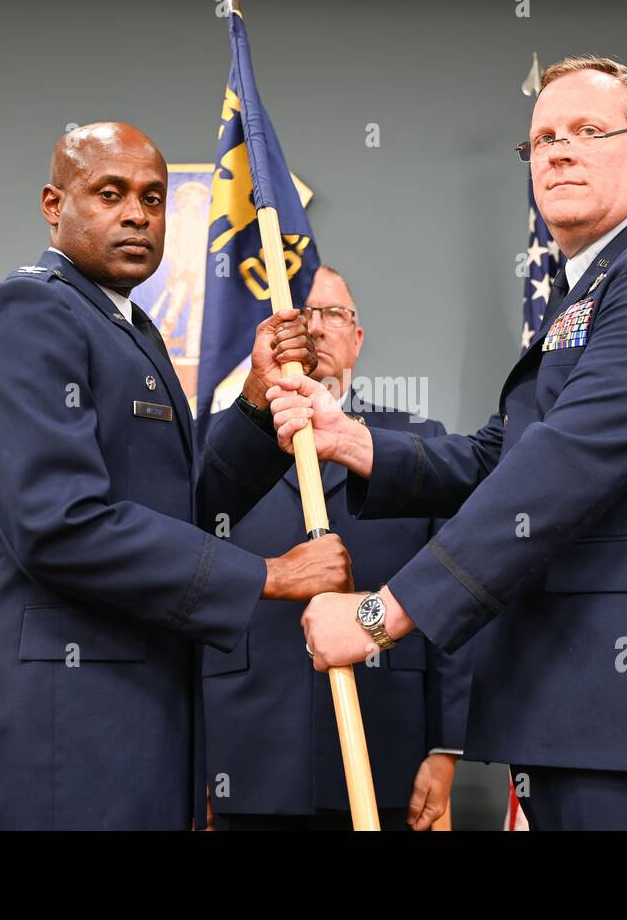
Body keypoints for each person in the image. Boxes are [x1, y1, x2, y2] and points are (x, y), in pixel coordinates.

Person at [270, 57, 627, 830]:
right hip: (579, 712)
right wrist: (350, 439)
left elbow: (565, 464)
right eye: (541, 139)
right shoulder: (592, 286)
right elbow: (501, 457)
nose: (558, 150)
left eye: (587, 130)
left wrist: (382, 615)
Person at [0, 123, 352, 831]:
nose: (137, 214)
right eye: (110, 193)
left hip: (137, 717)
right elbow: (58, 526)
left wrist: (253, 402)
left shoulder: (129, 328)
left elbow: (180, 510)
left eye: (152, 198)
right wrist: (266, 575)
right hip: (55, 727)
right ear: (54, 204)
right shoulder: (29, 313)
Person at [202, 266, 471, 831]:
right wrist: (193, 763)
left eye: (334, 315)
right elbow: (182, 601)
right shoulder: (211, 449)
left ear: (357, 338)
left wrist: (446, 749)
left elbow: (455, 590)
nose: (316, 328)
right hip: (243, 764)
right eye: (301, 313)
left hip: (386, 755)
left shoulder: (423, 447)